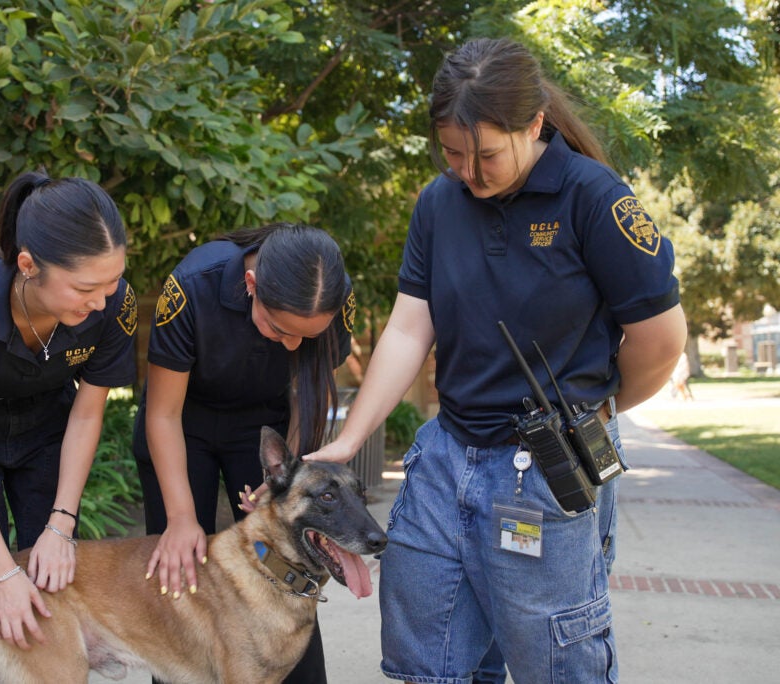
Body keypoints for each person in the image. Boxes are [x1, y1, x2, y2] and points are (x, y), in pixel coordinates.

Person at [305, 38, 687, 683]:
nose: (470, 173)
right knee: (427, 649)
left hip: (546, 469)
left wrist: (592, 411)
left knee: (557, 659)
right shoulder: (438, 203)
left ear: (535, 123)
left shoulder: (595, 199)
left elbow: (659, 338)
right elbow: (407, 327)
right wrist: (350, 440)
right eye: (454, 154)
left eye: (486, 155)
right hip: (447, 456)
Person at [0, 171, 137, 680]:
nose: (102, 301)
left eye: (112, 282)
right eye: (86, 287)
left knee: (50, 573)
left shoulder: (115, 305)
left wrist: (62, 524)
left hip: (49, 426)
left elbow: (87, 411)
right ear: (28, 265)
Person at [133, 222, 356, 683]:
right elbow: (163, 414)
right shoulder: (191, 286)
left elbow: (307, 395)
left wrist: (286, 475)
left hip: (265, 427)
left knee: (288, 561)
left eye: (305, 337)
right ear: (251, 286)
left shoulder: (332, 297)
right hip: (183, 422)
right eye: (280, 329)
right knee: (180, 570)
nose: (293, 344)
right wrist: (180, 518)